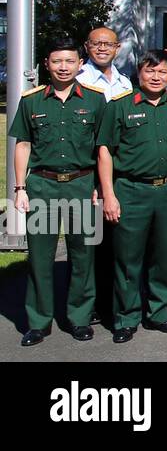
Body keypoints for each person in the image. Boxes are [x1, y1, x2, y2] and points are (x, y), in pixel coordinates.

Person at [96, 50, 167, 343]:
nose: (156, 77)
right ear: (138, 74)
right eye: (150, 71)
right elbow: (105, 151)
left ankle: (159, 313)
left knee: (164, 255)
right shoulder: (119, 106)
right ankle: (126, 317)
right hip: (131, 190)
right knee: (128, 257)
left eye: (162, 72)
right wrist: (109, 194)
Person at [13, 38, 107, 346]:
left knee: (83, 255)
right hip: (42, 185)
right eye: (57, 62)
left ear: (80, 64)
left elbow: (101, 148)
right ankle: (38, 322)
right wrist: (19, 187)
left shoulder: (95, 100)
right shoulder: (32, 101)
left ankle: (78, 318)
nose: (63, 67)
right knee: (40, 257)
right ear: (47, 64)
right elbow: (23, 144)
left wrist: (99, 187)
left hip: (82, 185)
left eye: (69, 61)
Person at [78, 26, 133, 328]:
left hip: (118, 171)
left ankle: (112, 302)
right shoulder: (78, 79)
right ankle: (90, 306)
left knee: (116, 243)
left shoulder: (125, 82)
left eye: (108, 44)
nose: (102, 48)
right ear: (86, 47)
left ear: (118, 47)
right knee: (90, 245)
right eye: (96, 43)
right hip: (90, 173)